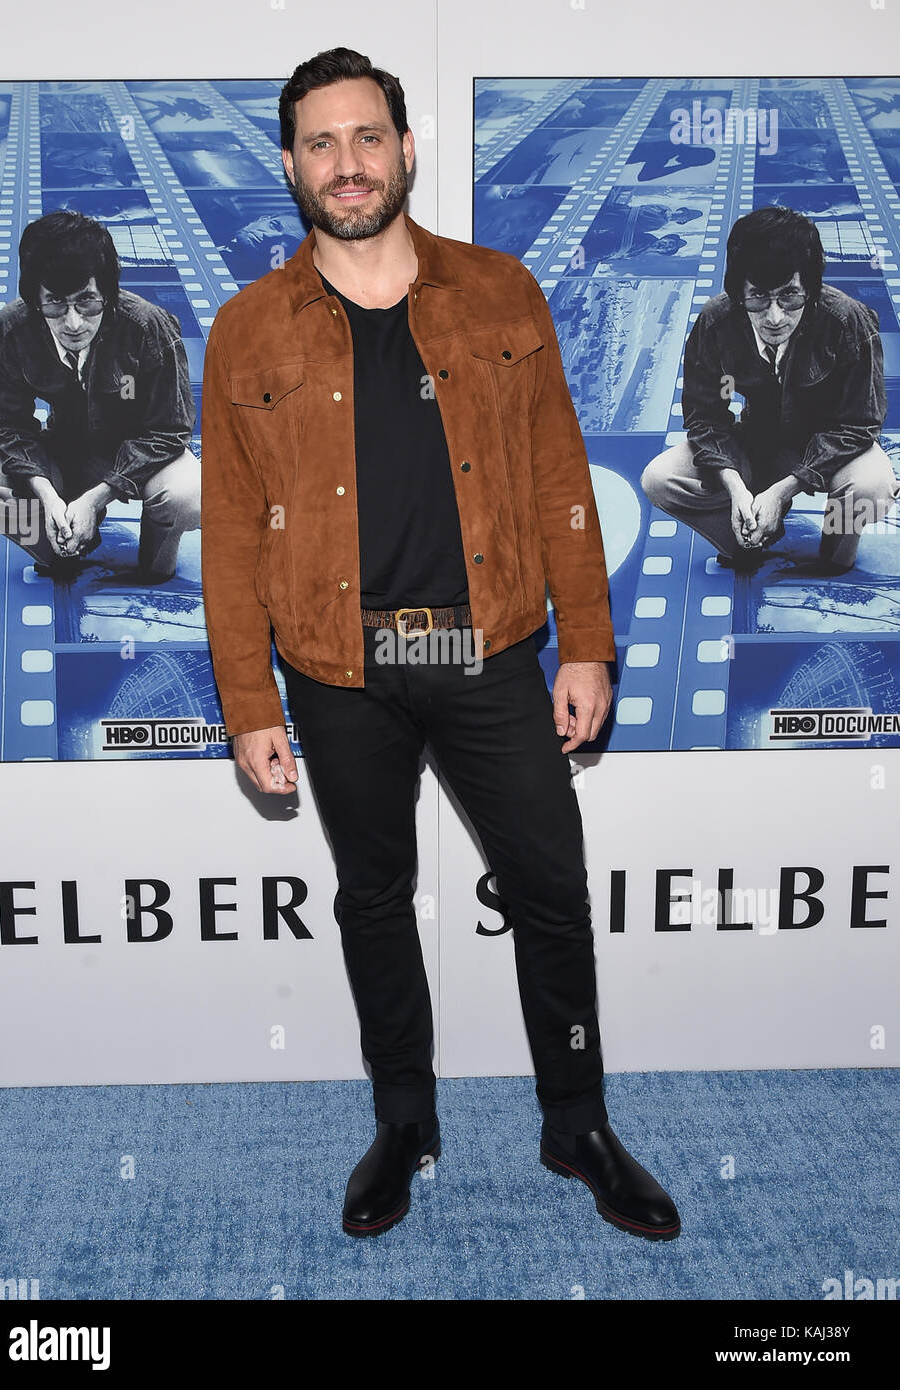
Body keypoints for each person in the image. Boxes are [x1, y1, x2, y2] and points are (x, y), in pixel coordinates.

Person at [200, 47, 680, 1242]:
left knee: (551, 890)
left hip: (487, 650)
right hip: (333, 665)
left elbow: (563, 480)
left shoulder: (500, 293)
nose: (346, 164)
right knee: (373, 897)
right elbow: (223, 534)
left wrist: (588, 644)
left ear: (406, 152)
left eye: (366, 137)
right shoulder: (248, 331)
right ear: (292, 167)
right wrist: (248, 701)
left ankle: (574, 1123)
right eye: (320, 143)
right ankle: (402, 1122)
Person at [642, 205, 899, 574]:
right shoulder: (716, 322)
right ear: (738, 291)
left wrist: (784, 491)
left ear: (809, 289)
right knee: (660, 478)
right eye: (758, 298)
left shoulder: (848, 322)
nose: (775, 317)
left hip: (834, 446)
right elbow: (705, 417)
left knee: (872, 487)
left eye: (790, 297)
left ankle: (834, 551)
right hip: (759, 441)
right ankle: (751, 535)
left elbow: (860, 424)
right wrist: (735, 488)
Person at [0, 210, 200, 583]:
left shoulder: (148, 326)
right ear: (34, 297)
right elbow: (10, 426)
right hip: (63, 449)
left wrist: (97, 498)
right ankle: (61, 548)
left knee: (187, 495)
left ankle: (155, 557)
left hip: (140, 452)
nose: (73, 322)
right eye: (55, 303)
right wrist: (48, 498)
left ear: (107, 291)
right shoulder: (14, 327)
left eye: (87, 302)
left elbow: (170, 430)